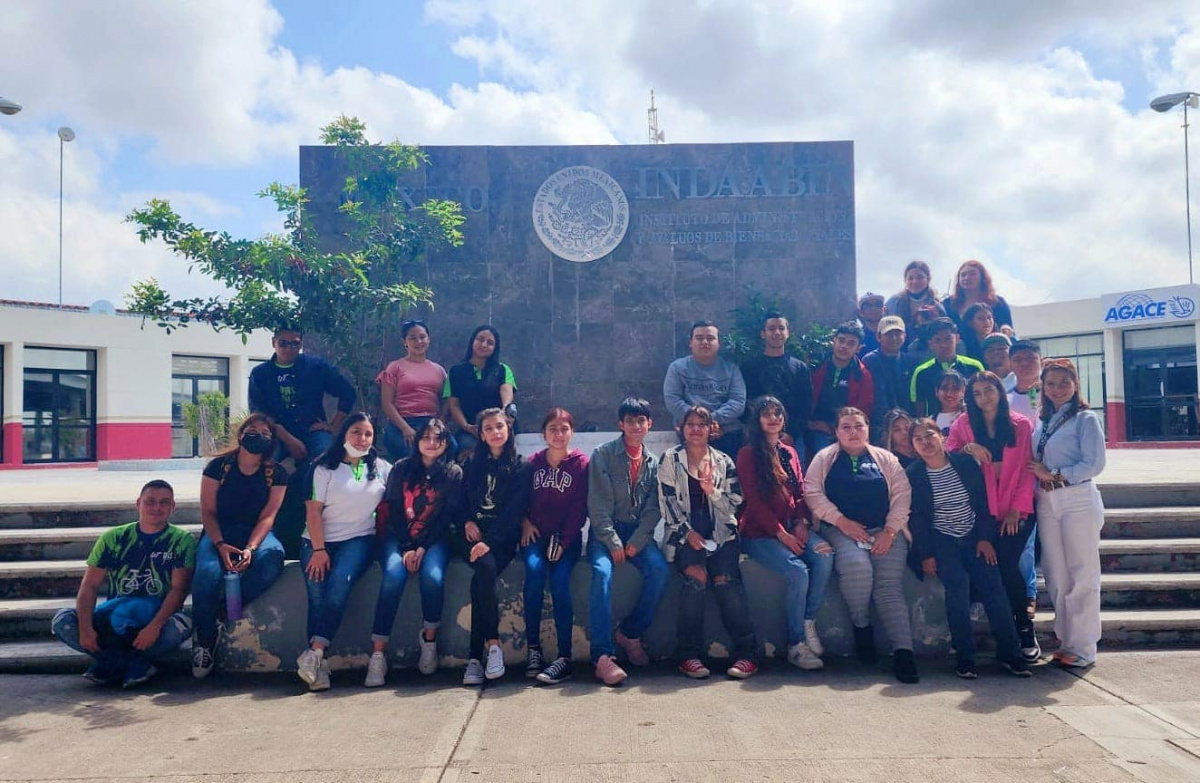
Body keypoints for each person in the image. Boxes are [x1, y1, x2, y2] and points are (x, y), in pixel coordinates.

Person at [906, 419, 1032, 679]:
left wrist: (985, 538)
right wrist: (926, 554)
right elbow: (917, 518)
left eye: (929, 435)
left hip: (975, 536)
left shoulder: (964, 464)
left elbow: (985, 502)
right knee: (957, 590)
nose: (925, 442)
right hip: (943, 540)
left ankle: (1011, 654)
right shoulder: (914, 474)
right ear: (913, 446)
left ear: (942, 436)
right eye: (917, 438)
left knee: (994, 589)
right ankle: (965, 657)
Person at [803, 407, 919, 684]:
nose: (853, 432)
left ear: (868, 429)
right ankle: (861, 625)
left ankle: (904, 652)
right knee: (857, 567)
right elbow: (812, 492)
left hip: (885, 530)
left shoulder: (885, 459)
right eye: (846, 427)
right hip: (841, 530)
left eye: (858, 426)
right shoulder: (825, 458)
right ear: (836, 431)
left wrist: (890, 531)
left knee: (888, 587)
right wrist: (842, 522)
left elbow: (902, 494)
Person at [51, 480, 196, 688]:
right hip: (115, 622)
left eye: (164, 502)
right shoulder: (114, 537)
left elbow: (179, 589)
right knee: (62, 620)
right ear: (138, 503)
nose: (157, 508)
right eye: (150, 501)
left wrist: (154, 627)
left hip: (156, 621)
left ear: (173, 507)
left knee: (182, 624)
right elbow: (89, 585)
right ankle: (134, 664)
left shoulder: (182, 540)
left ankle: (110, 665)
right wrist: (85, 628)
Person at [659, 406, 759, 679]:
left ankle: (747, 653)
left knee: (725, 581)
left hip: (722, 534)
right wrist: (688, 534)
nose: (695, 429)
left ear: (711, 429)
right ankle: (688, 654)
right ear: (682, 428)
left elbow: (735, 504)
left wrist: (711, 490)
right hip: (685, 535)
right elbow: (667, 504)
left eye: (701, 424)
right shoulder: (670, 459)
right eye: (690, 423)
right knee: (697, 577)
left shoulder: (724, 461)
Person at [947, 372, 1041, 662]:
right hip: (982, 511)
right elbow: (948, 452)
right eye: (977, 393)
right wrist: (967, 447)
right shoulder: (963, 424)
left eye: (989, 390)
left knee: (1008, 565)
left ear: (1000, 391)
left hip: (1016, 507)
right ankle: (997, 629)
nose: (984, 397)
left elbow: (1028, 468)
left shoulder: (1020, 424)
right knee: (987, 564)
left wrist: (1016, 508)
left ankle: (1025, 630)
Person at [295, 413, 392, 691]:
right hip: (317, 542)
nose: (362, 439)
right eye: (356, 432)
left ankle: (313, 653)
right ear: (344, 434)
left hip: (358, 540)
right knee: (317, 596)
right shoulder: (323, 467)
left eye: (368, 434)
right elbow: (313, 511)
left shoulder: (383, 468)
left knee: (339, 583)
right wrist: (319, 549)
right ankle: (320, 666)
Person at [737, 396, 834, 670]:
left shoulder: (789, 451)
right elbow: (754, 502)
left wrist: (802, 522)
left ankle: (807, 621)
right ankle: (796, 644)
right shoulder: (748, 454)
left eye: (778, 413)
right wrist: (783, 536)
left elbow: (800, 492)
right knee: (797, 570)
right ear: (757, 420)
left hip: (792, 524)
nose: (773, 418)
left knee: (824, 555)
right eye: (767, 414)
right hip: (760, 533)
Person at [192, 414, 289, 679]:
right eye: (252, 430)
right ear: (241, 433)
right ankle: (205, 642)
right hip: (219, 531)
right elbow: (208, 512)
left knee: (273, 557)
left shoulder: (276, 473)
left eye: (265, 432)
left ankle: (225, 609)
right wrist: (221, 544)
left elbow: (268, 516)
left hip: (254, 532)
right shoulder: (218, 467)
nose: (257, 435)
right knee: (207, 574)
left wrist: (251, 549)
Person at [370, 418, 461, 686]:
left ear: (445, 444)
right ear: (417, 441)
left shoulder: (453, 472)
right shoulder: (401, 469)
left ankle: (429, 640)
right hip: (398, 538)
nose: (432, 444)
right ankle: (378, 654)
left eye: (438, 439)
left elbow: (446, 517)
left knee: (432, 578)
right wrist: (408, 546)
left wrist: (422, 546)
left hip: (435, 539)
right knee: (393, 577)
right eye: (426, 438)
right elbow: (395, 510)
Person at [587, 397, 670, 686]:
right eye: (630, 420)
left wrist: (636, 540)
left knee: (659, 570)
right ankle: (602, 656)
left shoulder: (654, 462)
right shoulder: (603, 454)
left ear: (650, 424)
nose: (636, 426)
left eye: (641, 420)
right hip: (604, 534)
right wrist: (612, 541)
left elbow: (653, 508)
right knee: (600, 573)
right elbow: (597, 506)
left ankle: (631, 632)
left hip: (637, 534)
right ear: (620, 424)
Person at [1029, 359, 1106, 669]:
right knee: (1057, 574)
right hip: (1046, 502)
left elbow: (1094, 464)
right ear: (1043, 389)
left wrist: (1054, 474)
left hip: (1076, 498)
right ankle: (1066, 641)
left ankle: (1084, 646)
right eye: (1050, 384)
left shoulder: (1086, 419)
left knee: (1083, 573)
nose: (1057, 389)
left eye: (1063, 383)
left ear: (1075, 384)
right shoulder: (1042, 421)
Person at [458, 407, 531, 685]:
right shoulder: (471, 464)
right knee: (483, 573)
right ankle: (493, 647)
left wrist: (489, 541)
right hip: (471, 536)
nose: (495, 432)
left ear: (509, 428)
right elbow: (460, 501)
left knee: (483, 576)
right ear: (481, 434)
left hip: (500, 539)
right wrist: (466, 521)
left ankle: (476, 658)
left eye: (499, 426)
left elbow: (514, 511)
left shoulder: (521, 466)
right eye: (488, 428)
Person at [521, 408, 589, 685]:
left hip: (566, 539)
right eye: (553, 429)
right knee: (535, 573)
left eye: (564, 429)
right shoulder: (532, 463)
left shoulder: (581, 463)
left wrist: (565, 540)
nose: (559, 434)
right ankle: (534, 649)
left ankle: (564, 657)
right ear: (543, 433)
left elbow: (579, 508)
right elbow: (518, 499)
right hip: (535, 536)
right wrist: (524, 523)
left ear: (572, 432)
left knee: (560, 582)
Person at [248, 326, 357, 468]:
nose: (289, 348)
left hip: (312, 428)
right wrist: (288, 439)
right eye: (283, 343)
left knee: (325, 458)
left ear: (301, 344)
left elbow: (348, 392)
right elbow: (259, 413)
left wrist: (333, 426)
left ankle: (309, 489)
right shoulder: (260, 373)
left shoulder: (316, 367)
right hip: (275, 431)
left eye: (295, 343)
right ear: (273, 342)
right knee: (262, 459)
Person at [664, 320, 747, 457]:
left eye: (710, 338)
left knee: (728, 475)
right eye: (699, 338)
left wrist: (710, 421)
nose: (705, 342)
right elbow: (672, 400)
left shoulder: (731, 369)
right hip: (691, 432)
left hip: (726, 432)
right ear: (690, 342)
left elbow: (738, 403)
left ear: (718, 343)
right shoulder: (677, 368)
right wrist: (700, 423)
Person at [376, 319, 453, 460]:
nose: (419, 341)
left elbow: (446, 400)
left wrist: (440, 422)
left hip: (431, 423)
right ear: (404, 341)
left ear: (429, 339)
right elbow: (386, 403)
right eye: (413, 338)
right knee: (414, 456)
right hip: (402, 423)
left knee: (452, 448)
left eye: (422, 337)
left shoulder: (439, 370)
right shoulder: (395, 367)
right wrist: (405, 428)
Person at [741, 311, 812, 455]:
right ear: (763, 333)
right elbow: (744, 402)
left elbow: (805, 405)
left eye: (781, 328)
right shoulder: (749, 367)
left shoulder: (800, 368)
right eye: (772, 328)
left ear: (788, 333)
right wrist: (761, 431)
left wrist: (791, 434)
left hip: (790, 437)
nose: (777, 332)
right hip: (757, 436)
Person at [444, 325, 517, 456]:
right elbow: (453, 405)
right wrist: (467, 426)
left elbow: (506, 394)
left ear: (495, 347)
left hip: (498, 428)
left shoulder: (502, 370)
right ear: (472, 341)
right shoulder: (455, 372)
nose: (484, 344)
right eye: (480, 339)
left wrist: (504, 414)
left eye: (490, 342)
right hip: (470, 430)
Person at [806, 322, 874, 460]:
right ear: (834, 340)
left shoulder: (862, 375)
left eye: (851, 343)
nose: (844, 346)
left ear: (858, 348)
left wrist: (834, 429)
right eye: (841, 340)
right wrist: (809, 423)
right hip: (812, 426)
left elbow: (863, 410)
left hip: (845, 430)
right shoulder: (815, 365)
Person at [909, 318, 984, 417]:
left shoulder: (974, 367)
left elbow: (983, 397)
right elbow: (919, 407)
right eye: (938, 340)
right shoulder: (922, 372)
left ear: (957, 338)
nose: (943, 345)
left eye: (948, 339)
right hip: (936, 428)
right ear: (930, 344)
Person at [862, 315, 912, 437]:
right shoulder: (870, 361)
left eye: (898, 334)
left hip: (909, 423)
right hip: (881, 426)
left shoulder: (910, 360)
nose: (894, 338)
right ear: (878, 337)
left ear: (904, 336)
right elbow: (876, 399)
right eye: (889, 334)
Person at [942, 259, 1014, 335]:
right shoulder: (948, 304)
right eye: (963, 275)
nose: (967, 278)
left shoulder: (998, 302)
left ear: (982, 278)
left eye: (972, 274)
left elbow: (1007, 325)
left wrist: (1006, 329)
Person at [884, 260, 945, 339]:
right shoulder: (893, 302)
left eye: (920, 277)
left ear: (928, 279)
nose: (915, 281)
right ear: (905, 281)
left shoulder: (937, 306)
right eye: (910, 278)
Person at [1008, 340, 1043, 423]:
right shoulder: (1004, 401)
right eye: (1018, 359)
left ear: (1041, 362)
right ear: (1010, 365)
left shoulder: (1056, 395)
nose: (1025, 363)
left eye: (1030, 358)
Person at [934, 370, 968, 435]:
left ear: (963, 391)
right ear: (936, 391)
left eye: (955, 389)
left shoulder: (972, 416)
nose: (949, 393)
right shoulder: (930, 421)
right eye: (944, 388)